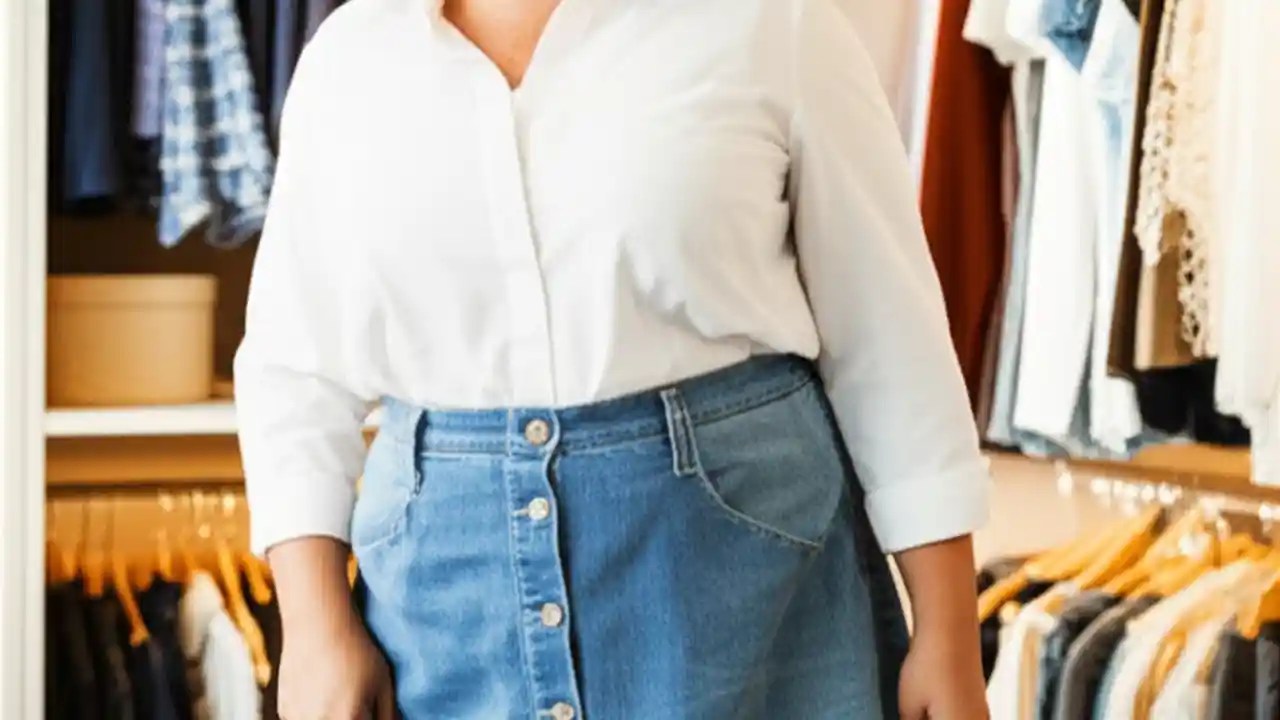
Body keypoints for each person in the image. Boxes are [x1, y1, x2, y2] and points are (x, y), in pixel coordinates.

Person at [235, 0, 992, 717]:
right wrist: (311, 623)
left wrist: (950, 634)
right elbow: (295, 372)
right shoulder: (347, 63)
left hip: (749, 595)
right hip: (439, 614)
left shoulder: (770, 24)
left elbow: (888, 342)